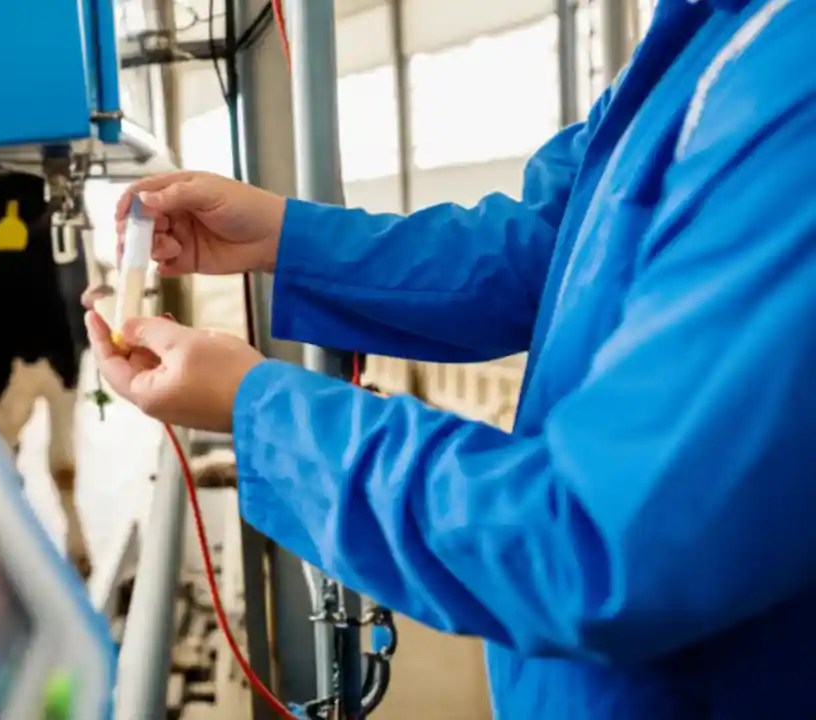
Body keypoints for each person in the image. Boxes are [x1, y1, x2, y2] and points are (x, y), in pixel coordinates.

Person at [83, 0, 816, 717]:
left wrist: (260, 408)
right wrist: (284, 236)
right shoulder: (700, 36)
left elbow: (598, 541)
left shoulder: (791, 81)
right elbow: (538, 243)